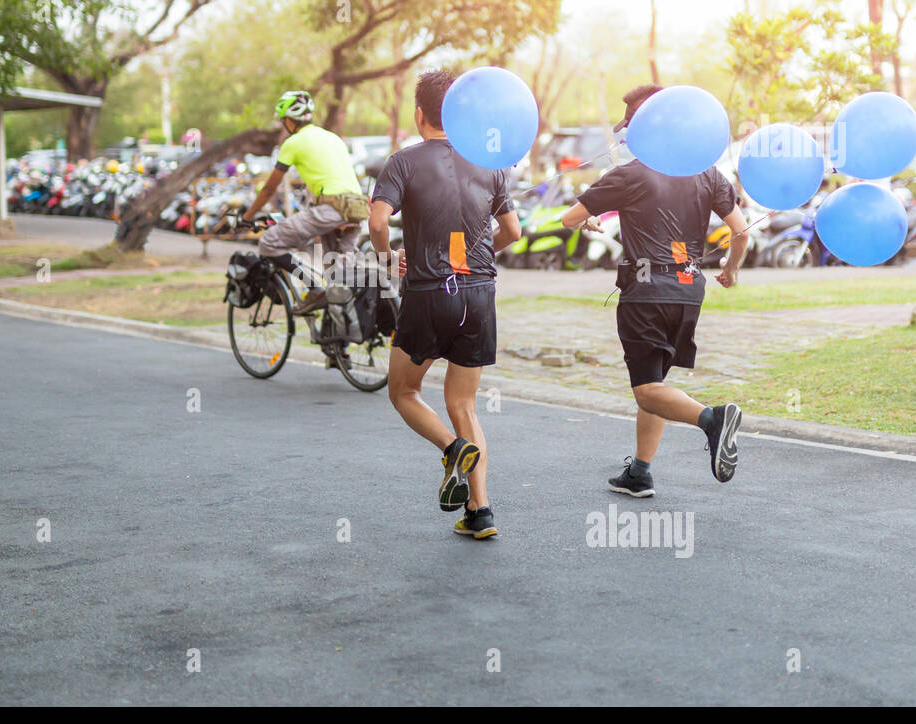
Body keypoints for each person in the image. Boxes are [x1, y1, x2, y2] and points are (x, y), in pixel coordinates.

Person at [560, 84, 746, 497]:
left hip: (646, 291)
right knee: (656, 383)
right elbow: (740, 232)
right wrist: (730, 270)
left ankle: (712, 419)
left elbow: (569, 218)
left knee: (646, 389)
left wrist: (587, 221)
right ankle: (640, 471)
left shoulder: (630, 173)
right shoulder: (707, 172)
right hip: (689, 287)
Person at [369, 69, 522, 539]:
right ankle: (481, 512)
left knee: (403, 391)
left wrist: (388, 254)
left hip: (429, 293)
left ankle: (452, 449)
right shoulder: (490, 164)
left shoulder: (403, 162)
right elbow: (514, 233)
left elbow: (378, 221)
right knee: (464, 402)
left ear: (420, 114)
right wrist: (474, 259)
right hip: (479, 294)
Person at [239, 91, 370, 315]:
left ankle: (313, 287)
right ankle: (341, 336)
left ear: (289, 120)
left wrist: (247, 217)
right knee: (338, 273)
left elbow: (270, 188)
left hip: (330, 209)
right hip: (356, 210)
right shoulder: (332, 137)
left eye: (283, 121)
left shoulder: (293, 142)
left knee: (269, 243)